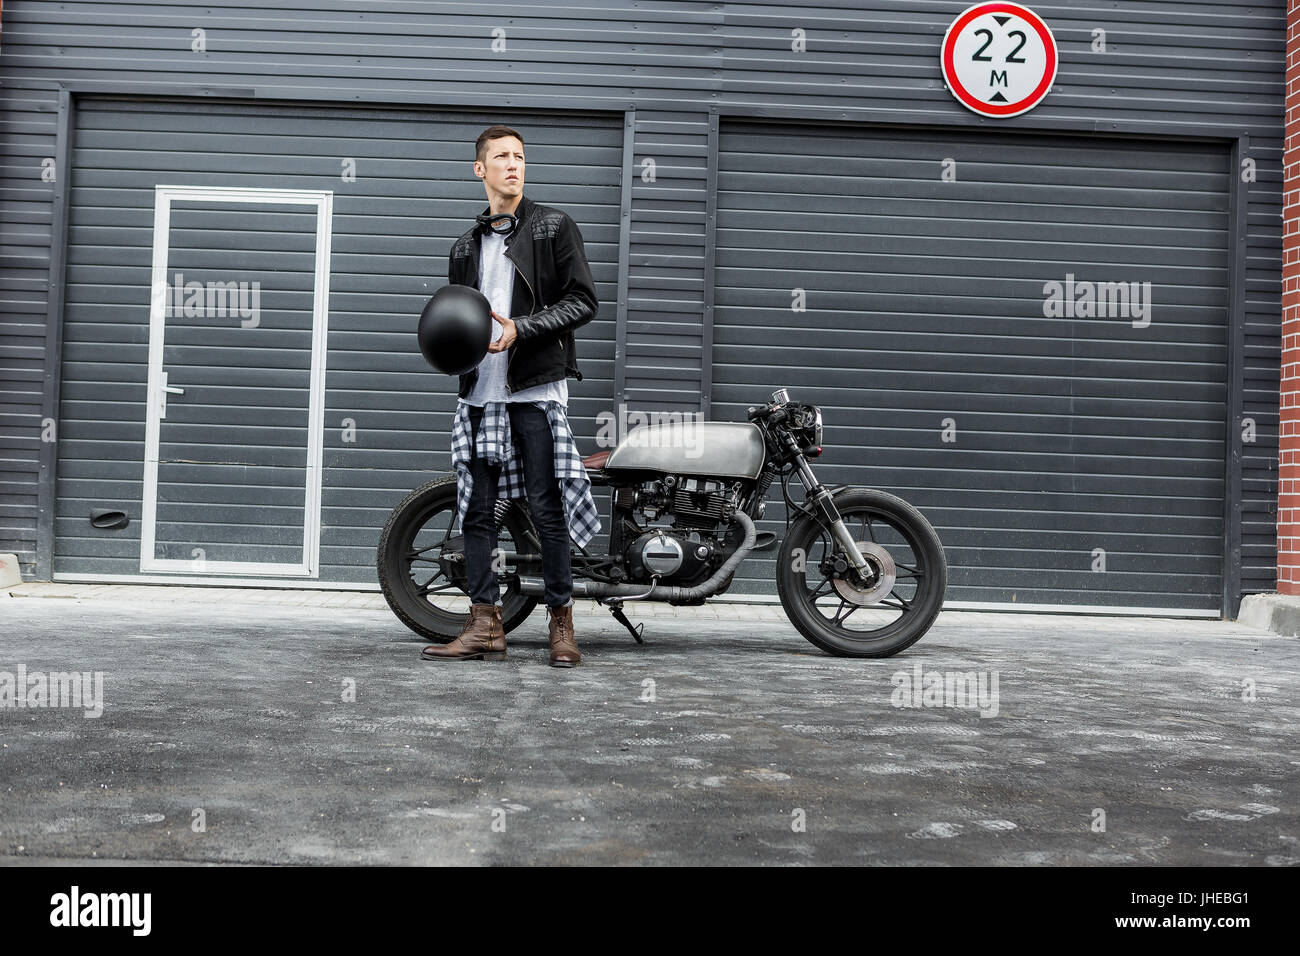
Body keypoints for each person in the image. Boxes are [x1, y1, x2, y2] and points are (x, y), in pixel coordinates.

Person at [422, 124, 601, 668]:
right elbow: (455, 323)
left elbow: (583, 302)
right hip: (482, 396)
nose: (513, 164)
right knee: (477, 513)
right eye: (501, 157)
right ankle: (484, 625)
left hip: (535, 392)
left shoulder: (553, 227)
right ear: (480, 169)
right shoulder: (464, 245)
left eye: (520, 156)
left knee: (547, 510)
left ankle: (561, 625)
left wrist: (522, 329)